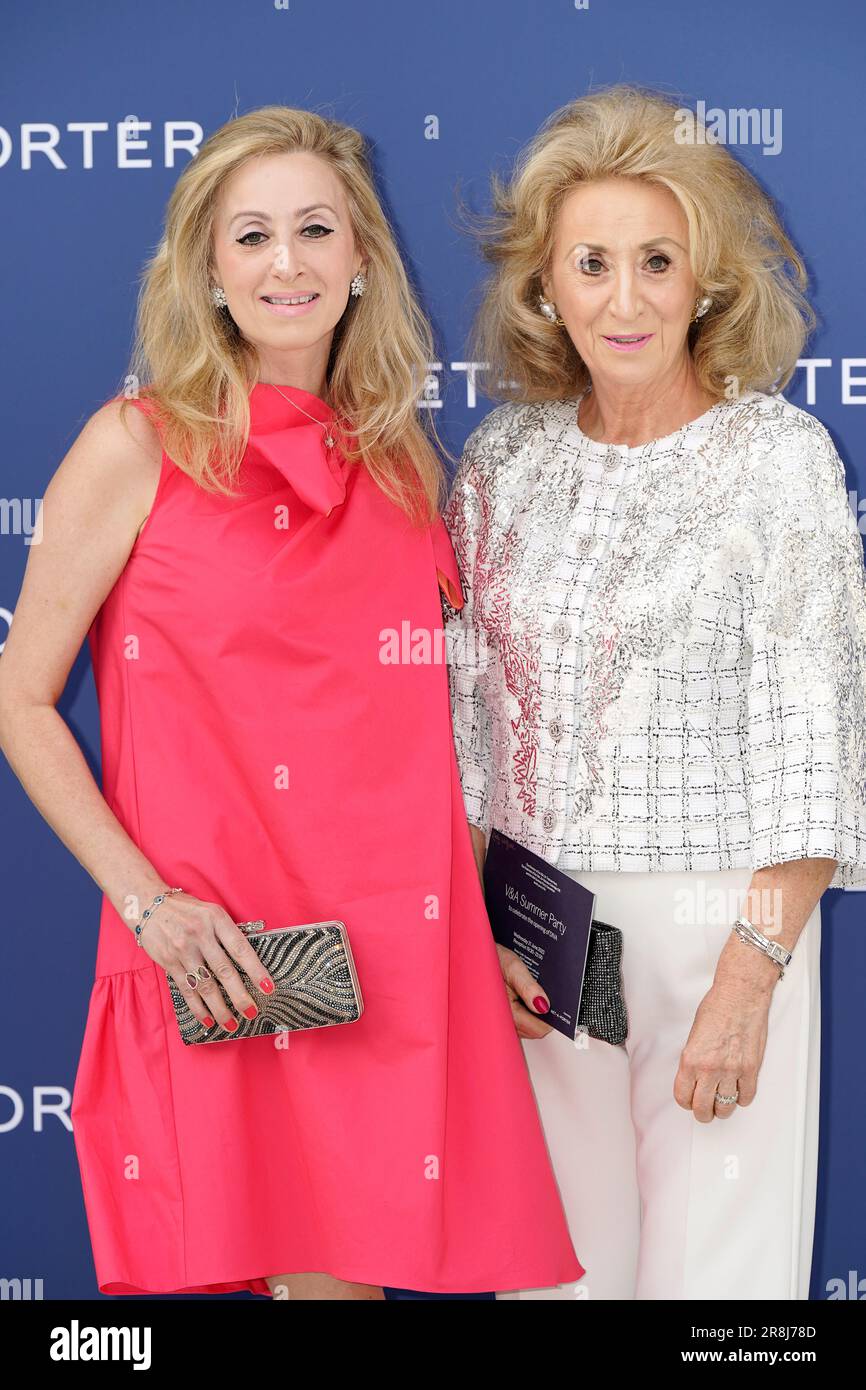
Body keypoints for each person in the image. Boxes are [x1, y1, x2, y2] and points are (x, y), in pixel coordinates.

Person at [0, 105, 583, 1300]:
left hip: (383, 956)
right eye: (251, 235)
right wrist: (146, 901)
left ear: (361, 256)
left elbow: (441, 726)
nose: (286, 262)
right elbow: (20, 701)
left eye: (315, 229)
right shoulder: (132, 446)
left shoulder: (406, 463)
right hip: (215, 944)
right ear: (207, 271)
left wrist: (481, 919)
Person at [443, 83, 866, 1300]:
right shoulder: (502, 461)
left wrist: (749, 978)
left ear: (705, 280)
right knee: (551, 1280)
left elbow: (815, 737)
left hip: (718, 934)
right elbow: (466, 719)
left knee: (715, 1290)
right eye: (590, 263)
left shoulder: (775, 459)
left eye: (655, 261)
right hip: (535, 941)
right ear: (544, 285)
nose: (622, 300)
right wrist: (474, 920)